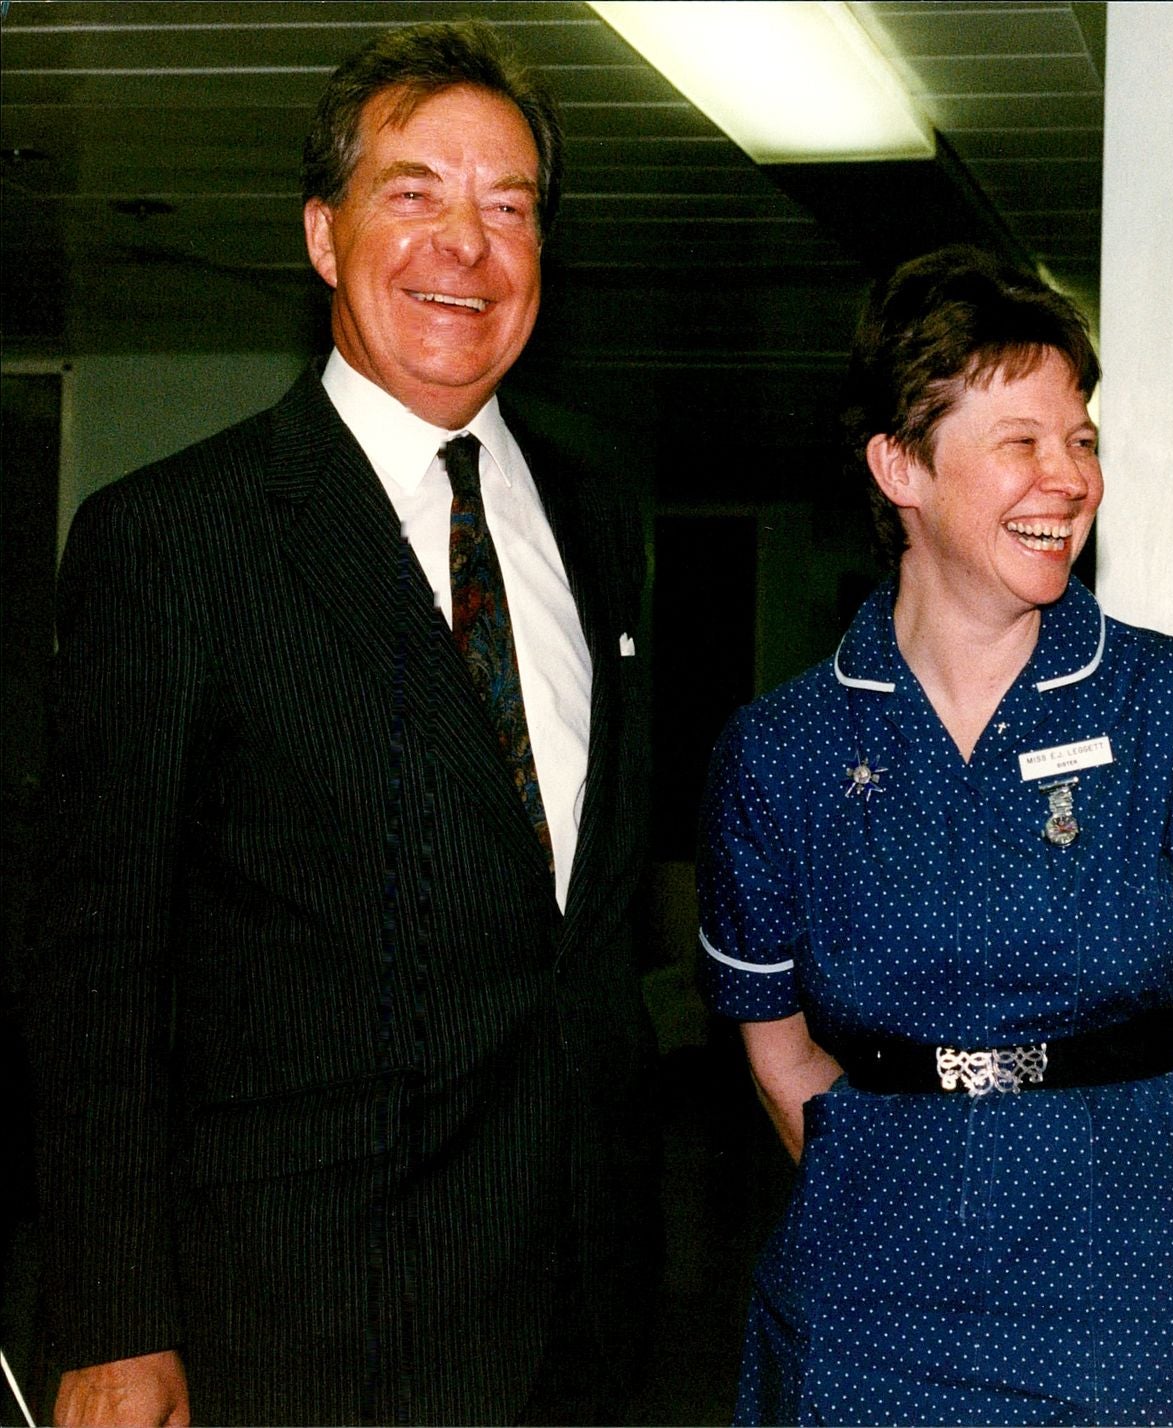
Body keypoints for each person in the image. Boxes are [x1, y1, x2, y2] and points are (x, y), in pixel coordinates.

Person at [23, 22, 657, 1425]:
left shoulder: (604, 522)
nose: (467, 247)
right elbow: (95, 966)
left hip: (579, 1326)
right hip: (295, 1321)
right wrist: (112, 1320)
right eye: (415, 193)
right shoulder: (176, 542)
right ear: (324, 235)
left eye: (509, 207)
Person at [697, 246, 1173, 1425]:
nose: (1067, 478)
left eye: (1079, 439)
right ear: (899, 468)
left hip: (1133, 1292)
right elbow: (777, 1055)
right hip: (864, 1309)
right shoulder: (779, 752)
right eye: (1019, 441)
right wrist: (889, 1178)